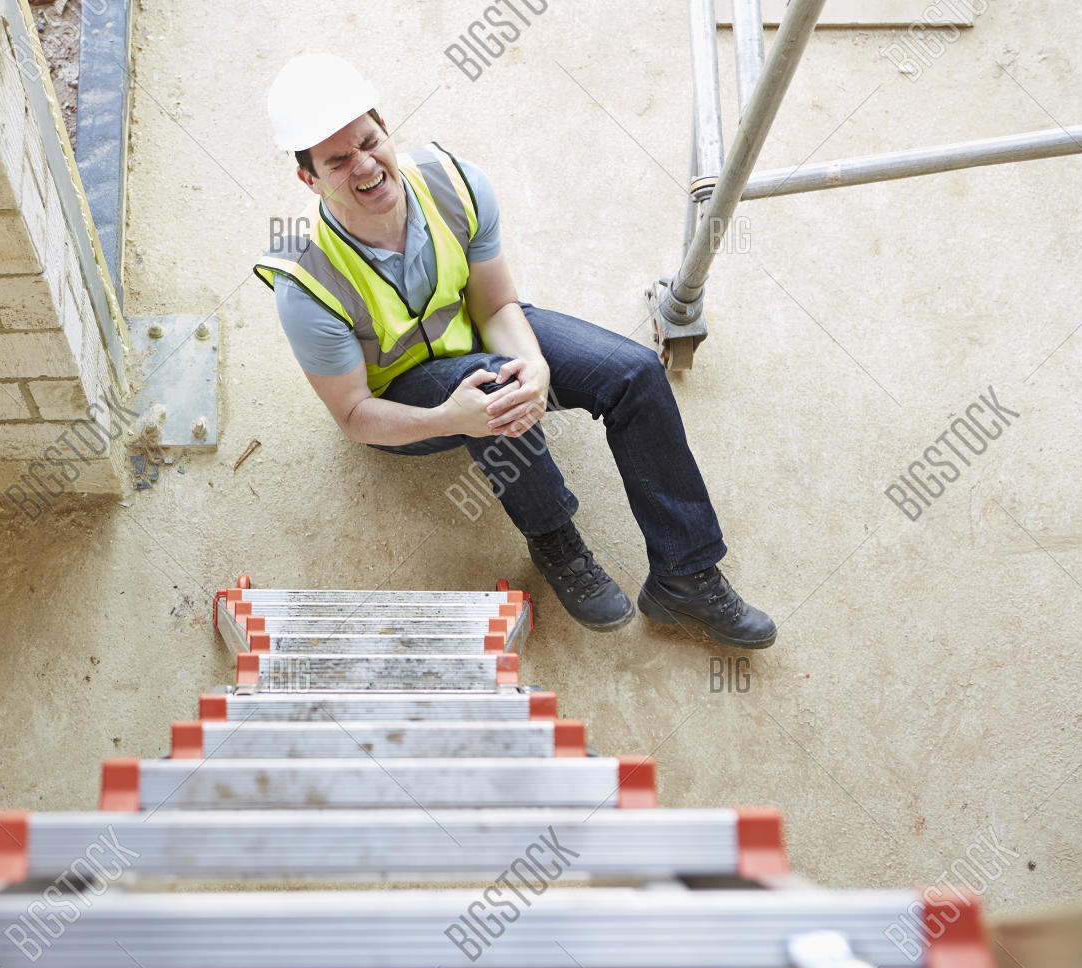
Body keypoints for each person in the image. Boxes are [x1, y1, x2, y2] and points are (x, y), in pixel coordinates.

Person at [254, 54, 775, 649]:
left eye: (369, 142)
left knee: (631, 373)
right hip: (404, 400)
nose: (366, 166)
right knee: (491, 386)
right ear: (310, 179)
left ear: (384, 128)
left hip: (479, 336)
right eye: (338, 162)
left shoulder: (454, 184)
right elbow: (352, 417)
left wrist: (535, 364)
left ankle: (685, 573)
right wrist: (448, 418)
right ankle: (555, 537)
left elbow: (496, 305)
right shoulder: (305, 283)